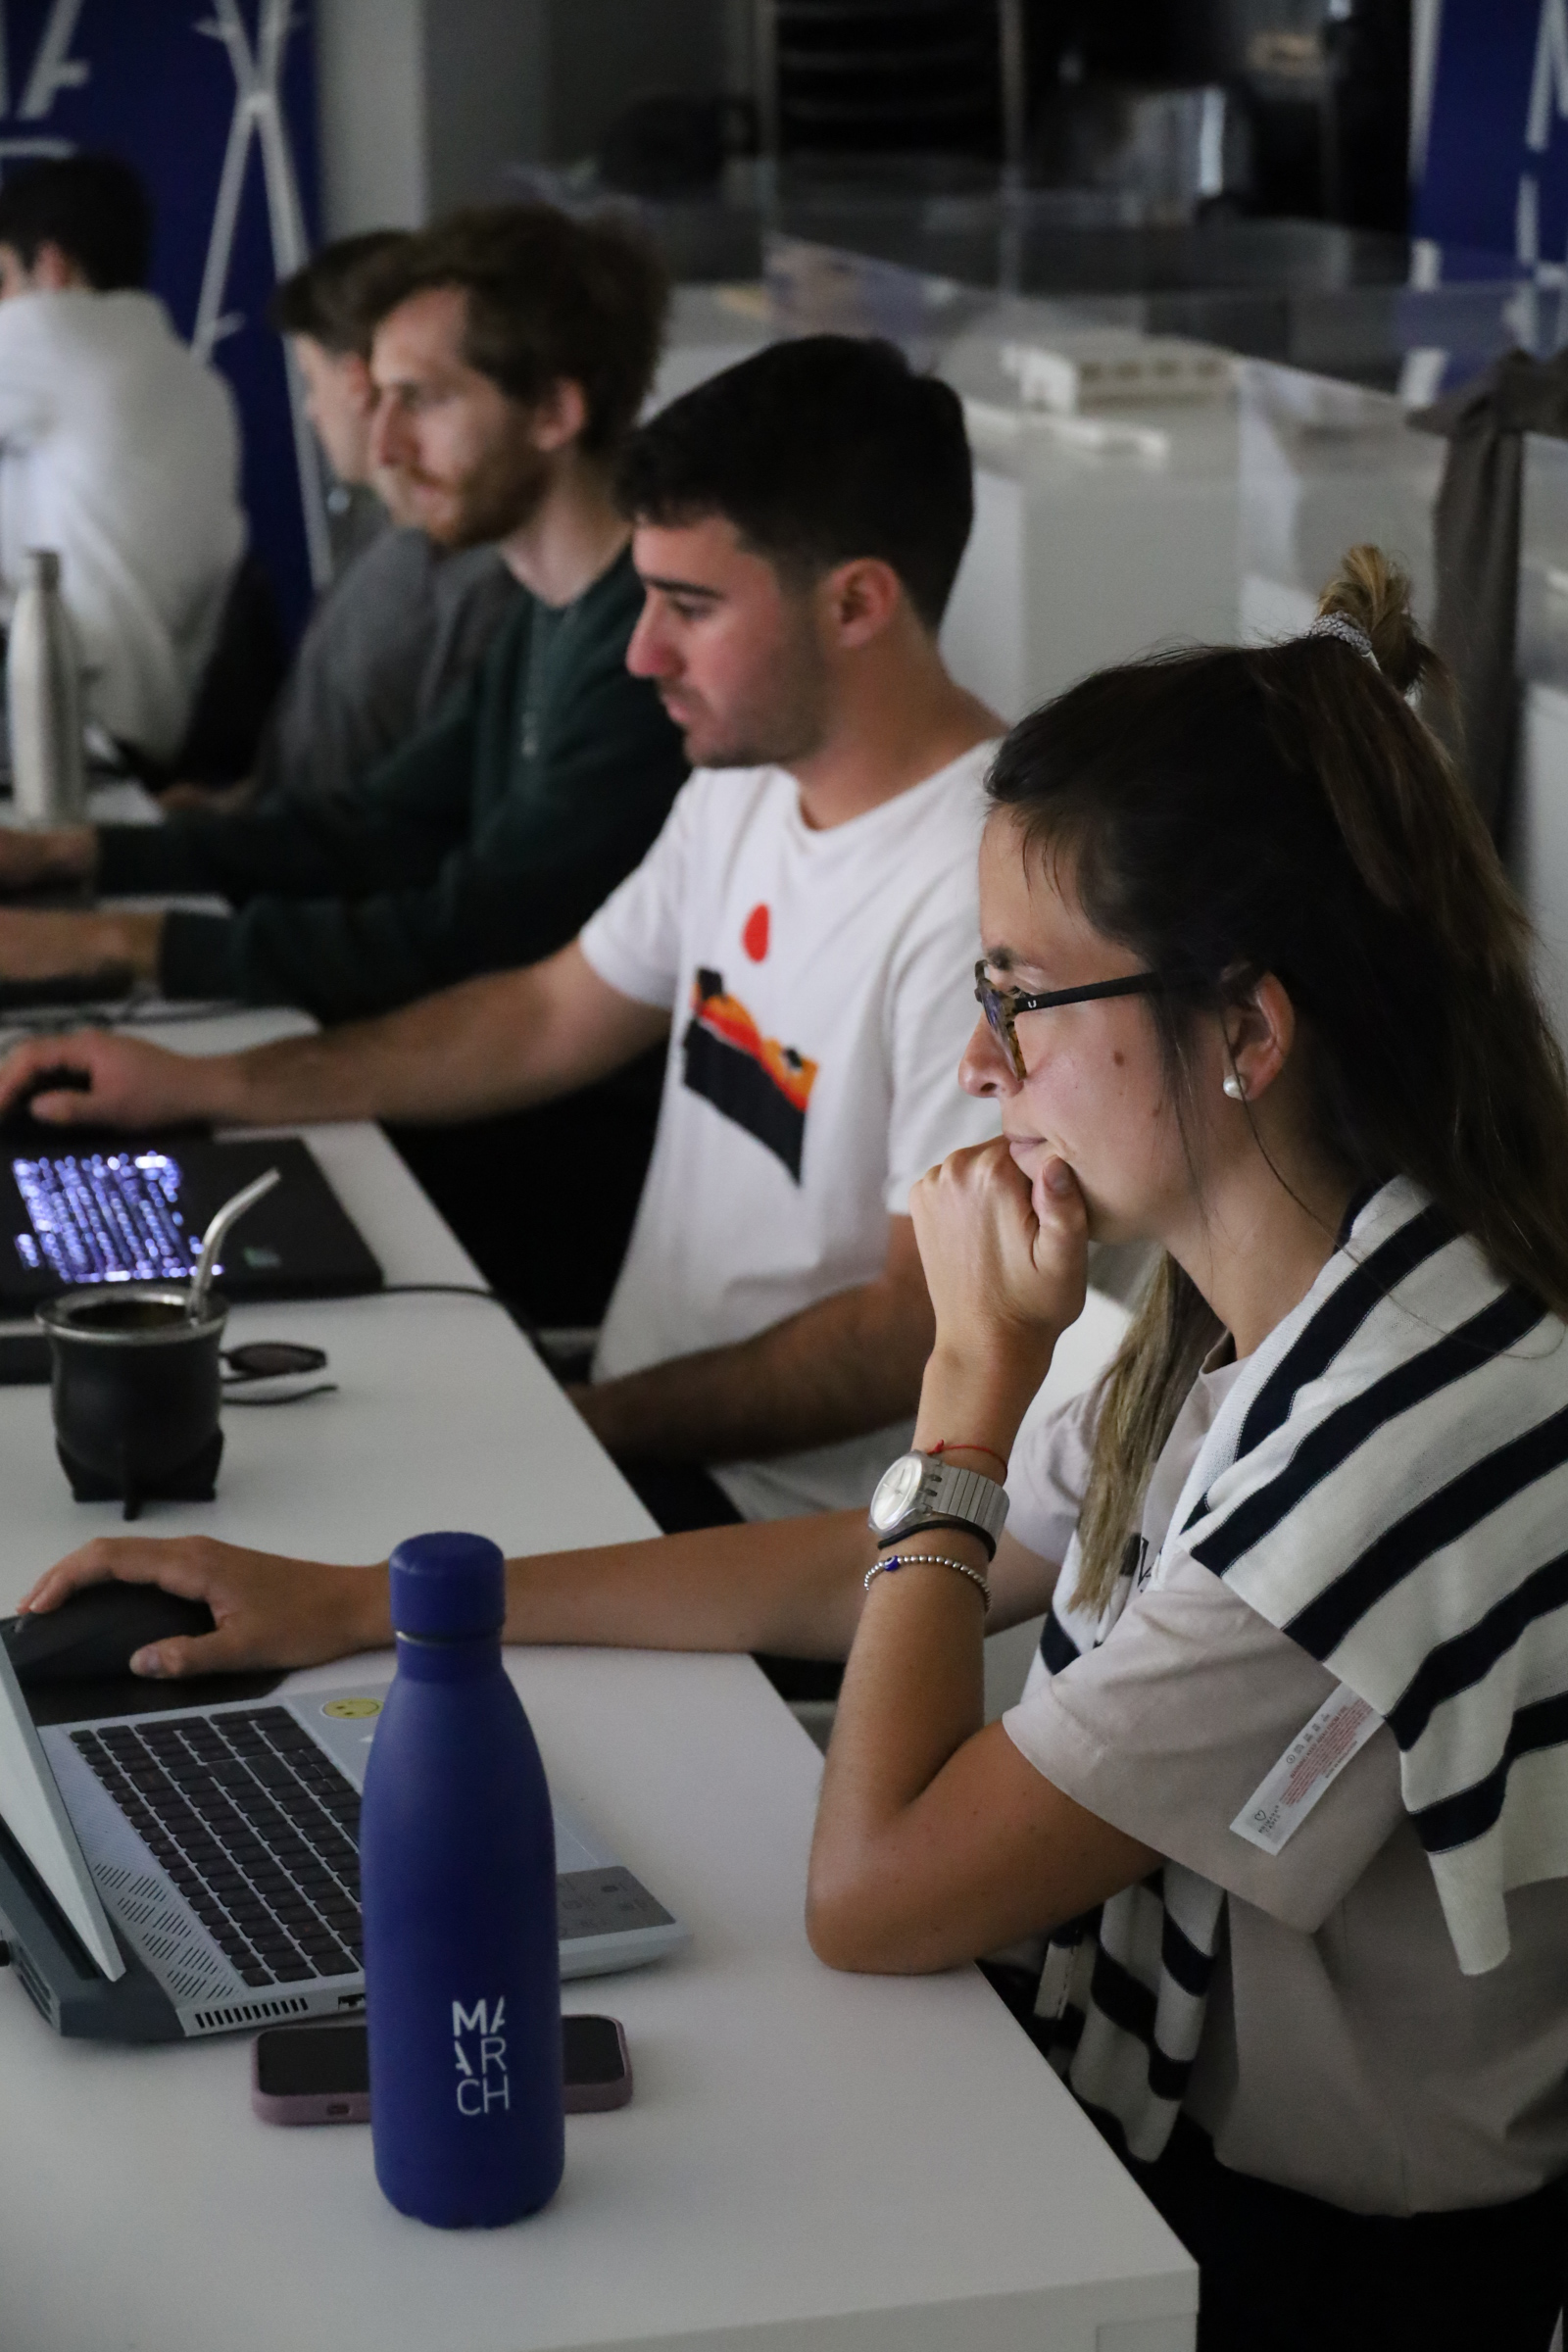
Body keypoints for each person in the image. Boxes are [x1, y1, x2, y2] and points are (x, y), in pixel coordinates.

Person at [21, 549, 1568, 2351]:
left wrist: (967, 1382)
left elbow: (876, 1892)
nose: (983, 1066)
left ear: (1245, 1029)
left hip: (1314, 2264)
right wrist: (378, 1604)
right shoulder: (1277, 1291)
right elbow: (880, 1558)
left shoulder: (1381, 1444)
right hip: (1137, 2103)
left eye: (1024, 999)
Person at [0, 334, 1003, 1533]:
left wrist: (575, 1420)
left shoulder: (989, 894)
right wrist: (206, 1084)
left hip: (784, 1522)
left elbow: (912, 1331)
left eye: (689, 608)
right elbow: (539, 1016)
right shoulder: (743, 784)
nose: (640, 653)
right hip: (631, 1430)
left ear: (855, 604)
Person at [0, 202, 683, 1025]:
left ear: (553, 413)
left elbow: (473, 930)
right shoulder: (549, 614)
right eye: (380, 400)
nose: (384, 445)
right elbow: (376, 826)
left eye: (422, 401)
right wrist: (73, 855)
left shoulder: (647, 653)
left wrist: (123, 944)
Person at [164, 232, 520, 818]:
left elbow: (390, 816)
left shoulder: (462, 579)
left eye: (311, 380)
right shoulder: (379, 537)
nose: (310, 409)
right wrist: (228, 811)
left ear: (355, 381)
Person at [0, 153, 244, 763]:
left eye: (2, 281)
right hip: (148, 737)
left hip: (63, 739)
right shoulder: (201, 385)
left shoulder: (60, 332)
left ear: (52, 268)